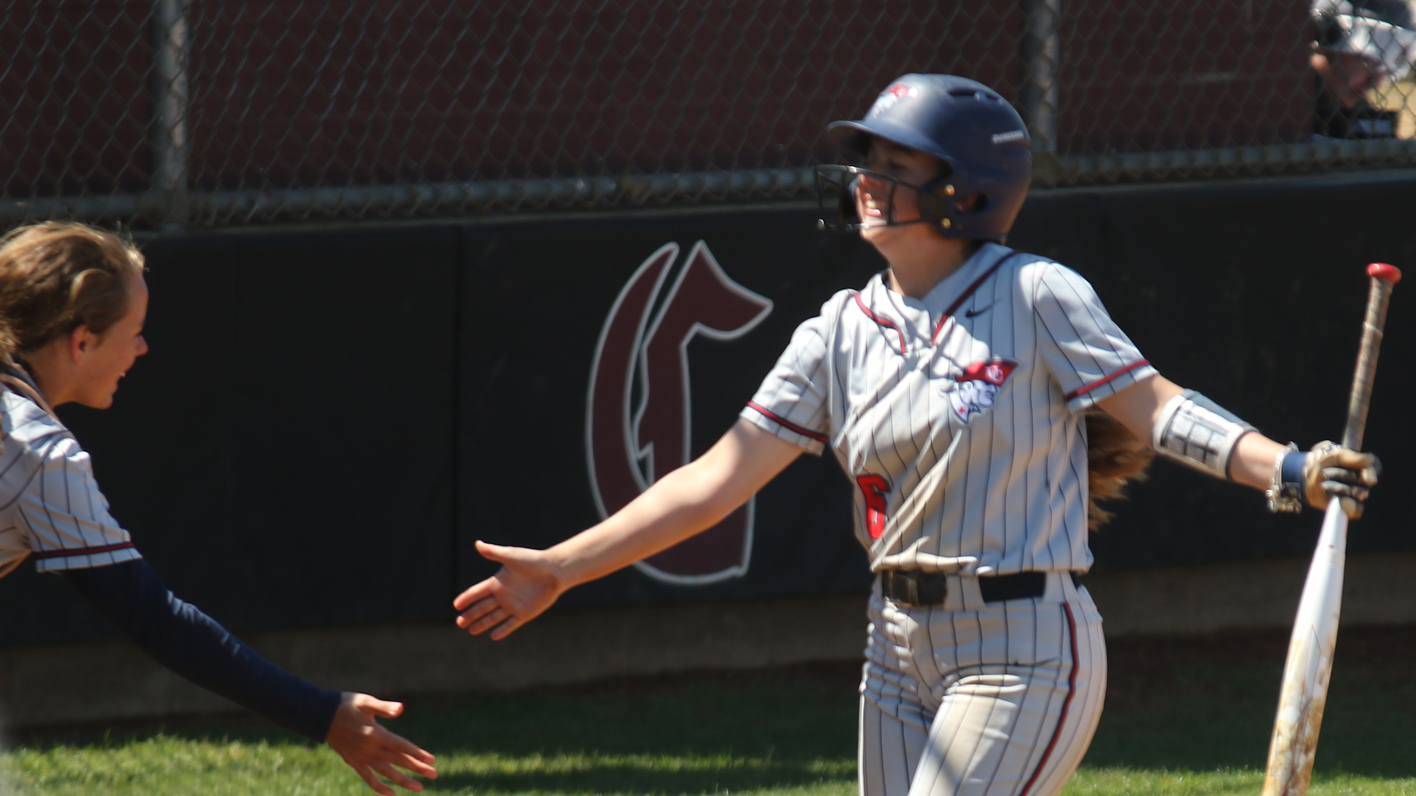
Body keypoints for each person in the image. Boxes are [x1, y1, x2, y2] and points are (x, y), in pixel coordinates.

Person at [452, 75, 1381, 796]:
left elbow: (1155, 408)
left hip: (1024, 644)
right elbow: (713, 481)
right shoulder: (836, 331)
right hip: (894, 647)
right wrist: (563, 567)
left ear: (961, 190)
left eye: (894, 163)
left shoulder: (1034, 294)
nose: (865, 180)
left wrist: (1289, 468)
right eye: (867, 159)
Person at [0, 222, 437, 796]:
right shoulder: (40, 456)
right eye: (134, 332)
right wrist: (320, 712)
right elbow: (153, 617)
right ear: (81, 342)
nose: (142, 348)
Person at [1311, 0, 1416, 138]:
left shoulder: (1364, 123)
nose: (1375, 83)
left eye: (1387, 70)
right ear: (1325, 34)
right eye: (1369, 59)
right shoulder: (1281, 106)